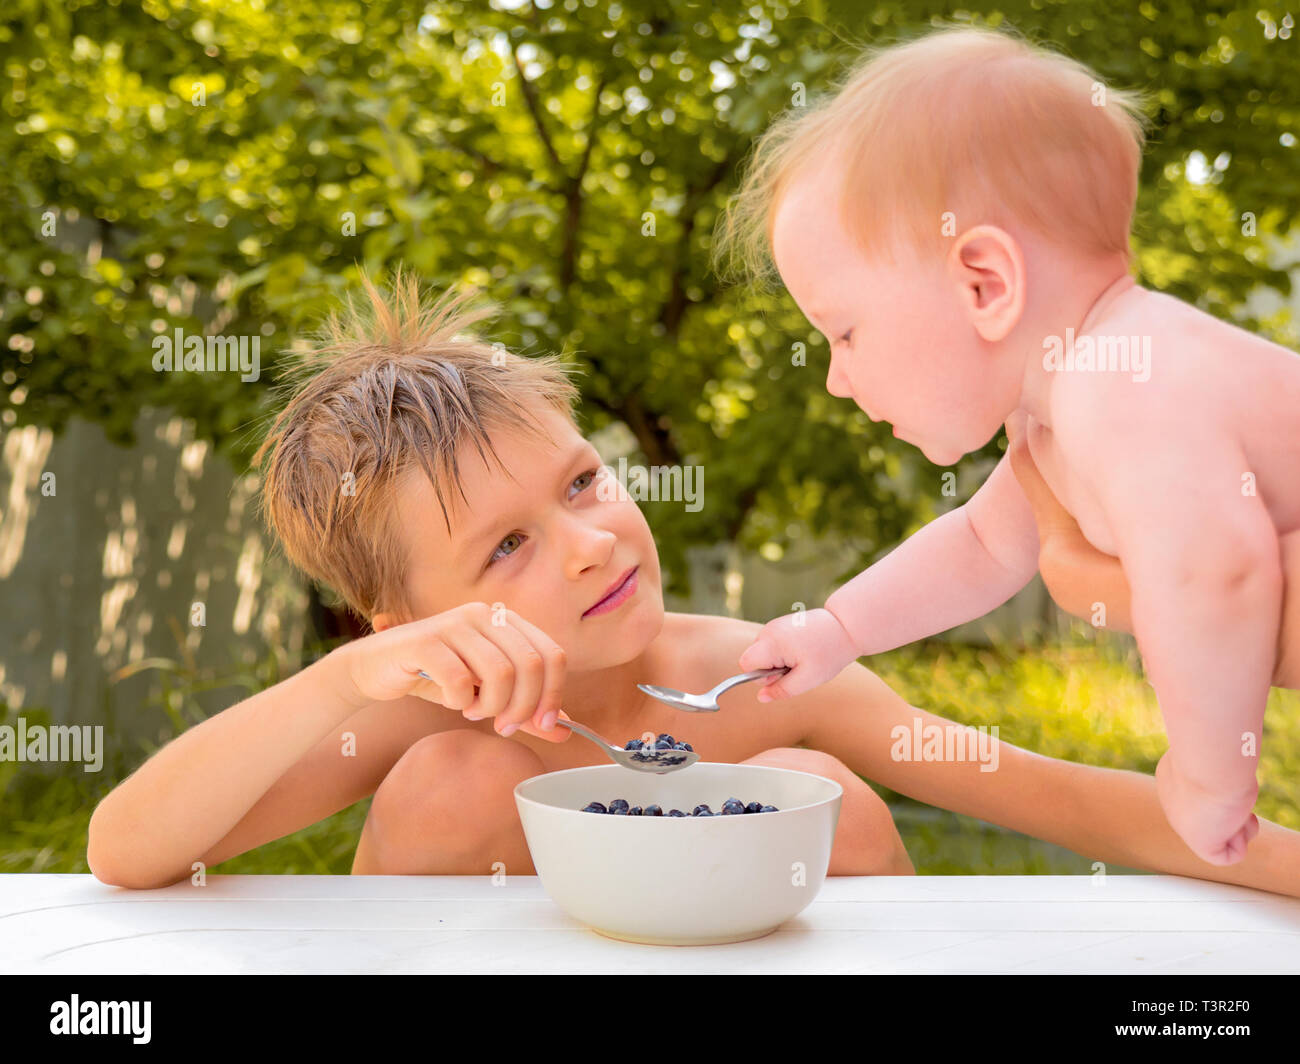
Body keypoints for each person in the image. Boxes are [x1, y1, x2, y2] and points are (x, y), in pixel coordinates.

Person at [86, 271, 1300, 898]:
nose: (588, 544)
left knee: (815, 786)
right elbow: (128, 848)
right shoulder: (421, 715)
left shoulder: (755, 675)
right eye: (504, 548)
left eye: (579, 485)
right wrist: (346, 676)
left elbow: (1083, 805)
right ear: (412, 620)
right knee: (457, 780)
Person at [719, 24, 1300, 865]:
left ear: (984, 284)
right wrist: (839, 627)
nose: (836, 379)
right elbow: (984, 545)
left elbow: (1216, 573)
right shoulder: (1057, 415)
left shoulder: (1123, 385)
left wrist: (1211, 774)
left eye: (843, 333)